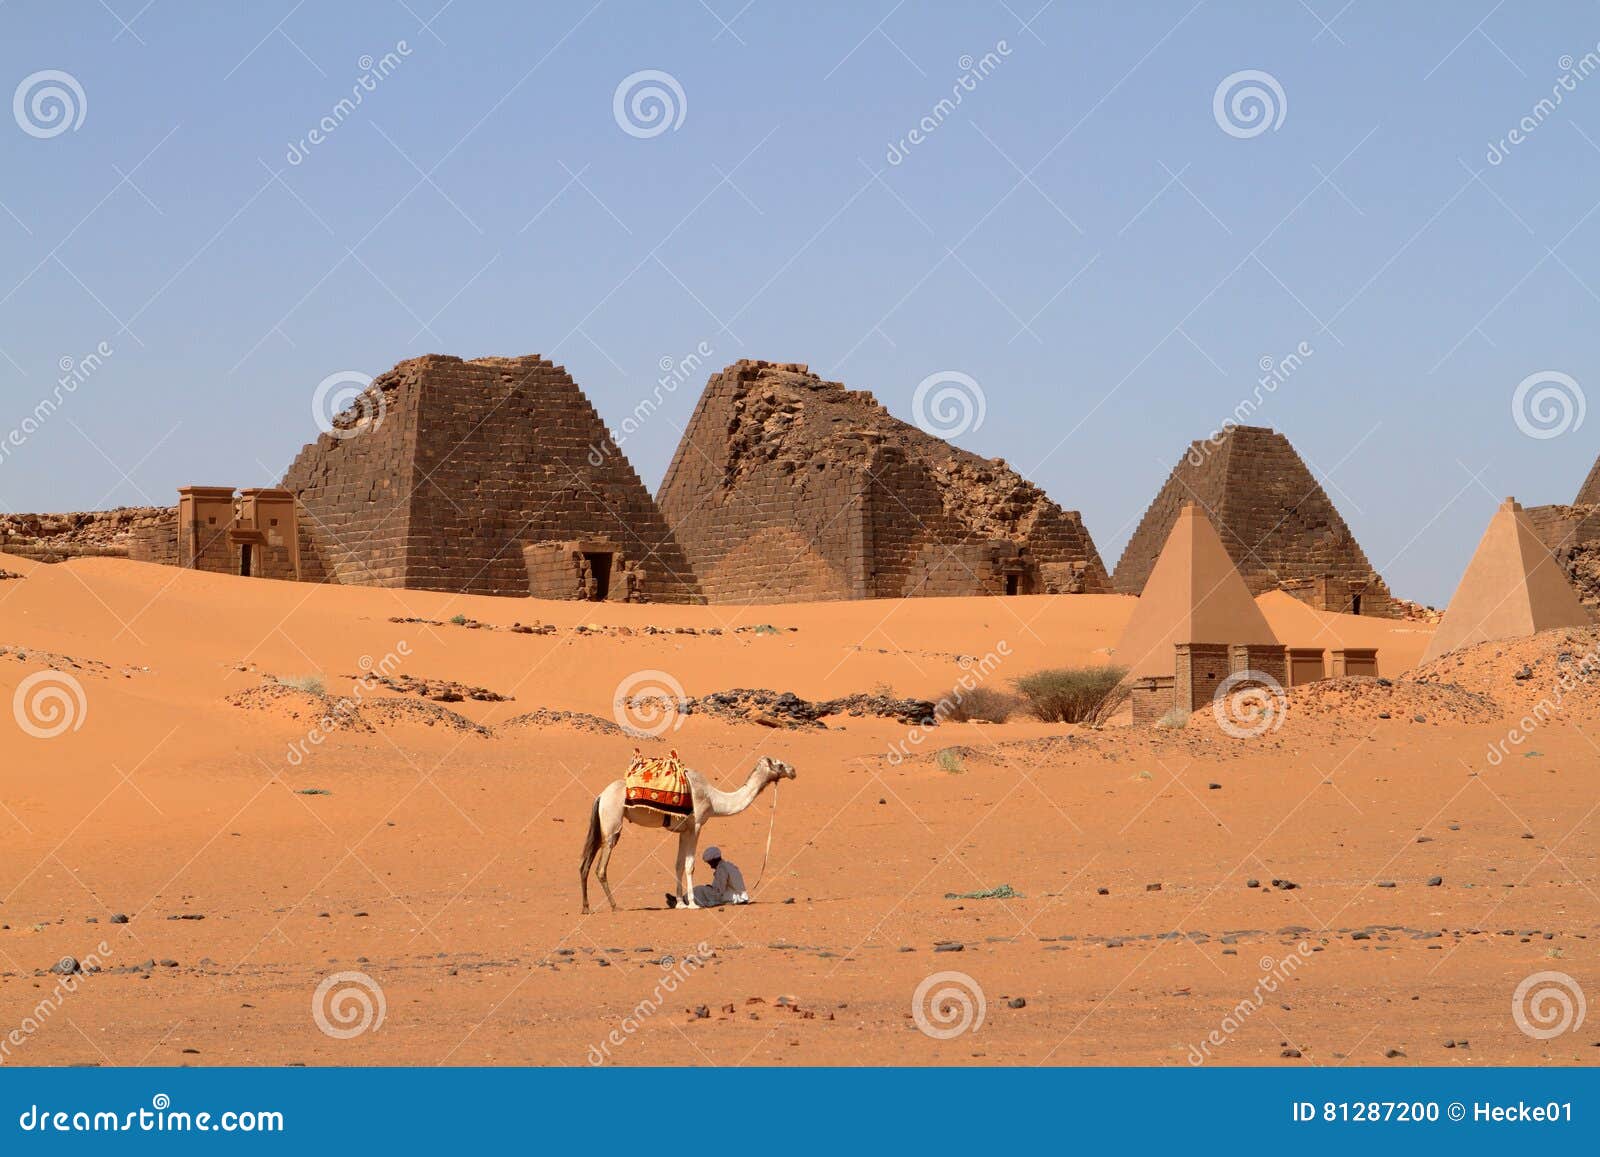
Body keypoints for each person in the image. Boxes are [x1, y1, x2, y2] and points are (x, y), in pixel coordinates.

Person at [666, 846, 749, 908]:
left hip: (735, 896)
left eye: (710, 863)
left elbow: (720, 891)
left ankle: (681, 901)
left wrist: (708, 889)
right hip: (736, 894)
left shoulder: (722, 869)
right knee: (703, 890)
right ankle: (681, 899)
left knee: (700, 890)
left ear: (714, 860)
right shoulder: (726, 865)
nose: (710, 866)